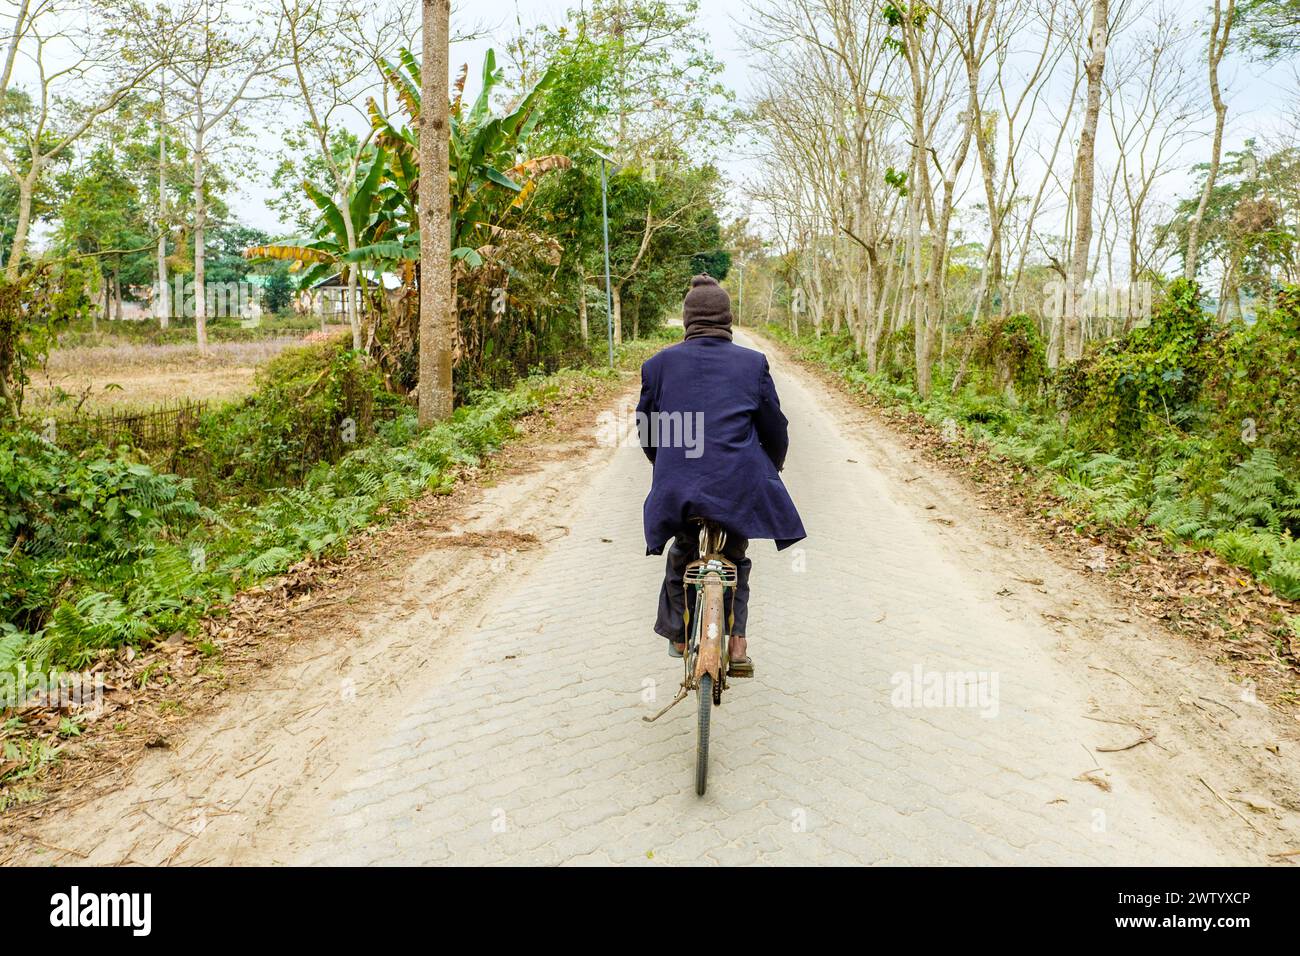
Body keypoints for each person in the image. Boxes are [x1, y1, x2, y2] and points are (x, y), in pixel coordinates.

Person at [637, 274, 806, 675]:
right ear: (727, 319)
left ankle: (679, 636)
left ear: (686, 319)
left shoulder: (658, 365)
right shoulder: (752, 363)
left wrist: (663, 463)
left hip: (679, 484)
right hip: (737, 484)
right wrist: (773, 464)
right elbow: (775, 427)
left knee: (682, 549)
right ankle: (738, 642)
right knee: (736, 555)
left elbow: (647, 428)